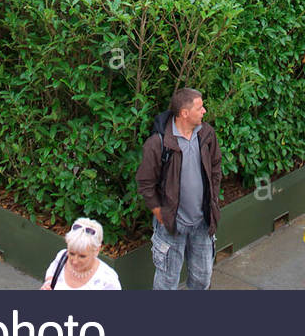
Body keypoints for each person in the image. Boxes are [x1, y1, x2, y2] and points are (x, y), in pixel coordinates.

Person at [136, 87, 222, 290]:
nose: (204, 111)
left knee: (202, 279)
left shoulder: (207, 134)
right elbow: (145, 183)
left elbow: (216, 167)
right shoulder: (158, 143)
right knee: (167, 283)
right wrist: (159, 212)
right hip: (171, 226)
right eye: (199, 107)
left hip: (202, 223)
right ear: (185, 113)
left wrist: (213, 200)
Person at [39, 218, 121, 291]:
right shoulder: (62, 257)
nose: (75, 261)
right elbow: (51, 274)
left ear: (97, 250)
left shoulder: (108, 279)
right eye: (71, 253)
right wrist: (48, 284)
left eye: (82, 256)